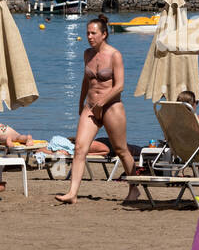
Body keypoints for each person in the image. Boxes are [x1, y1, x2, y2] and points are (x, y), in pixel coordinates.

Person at [55, 16, 140, 204]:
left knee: (120, 149)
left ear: (104, 34)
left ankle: (134, 188)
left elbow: (120, 86)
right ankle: (72, 193)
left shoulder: (114, 55)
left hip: (111, 106)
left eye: (93, 33)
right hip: (90, 107)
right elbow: (87, 81)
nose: (89, 36)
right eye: (87, 33)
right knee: (79, 148)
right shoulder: (87, 54)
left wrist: (103, 101)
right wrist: (80, 103)